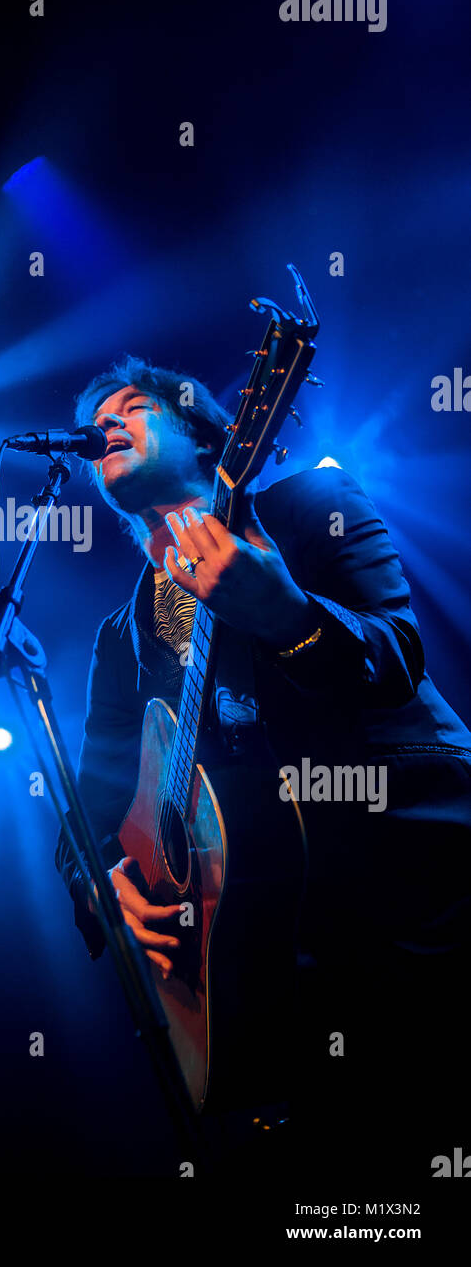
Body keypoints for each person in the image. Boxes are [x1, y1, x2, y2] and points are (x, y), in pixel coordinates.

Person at [55, 355, 471, 1183]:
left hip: (415, 902)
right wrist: (103, 881)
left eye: (133, 407)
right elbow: (89, 806)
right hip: (275, 969)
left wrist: (291, 617)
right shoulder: (122, 633)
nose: (108, 424)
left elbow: (397, 657)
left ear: (213, 432)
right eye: (97, 422)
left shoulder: (312, 504)